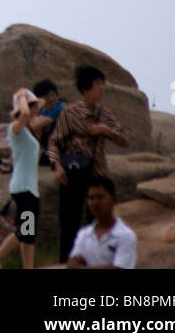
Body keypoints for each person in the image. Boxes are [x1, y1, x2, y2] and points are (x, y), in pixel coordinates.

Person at [47, 65, 129, 263]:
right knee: (70, 225)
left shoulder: (104, 115)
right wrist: (57, 167)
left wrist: (105, 130)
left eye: (103, 84)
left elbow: (124, 140)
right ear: (86, 89)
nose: (102, 89)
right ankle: (66, 264)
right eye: (98, 85)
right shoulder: (70, 114)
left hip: (97, 175)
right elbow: (54, 142)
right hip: (72, 175)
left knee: (97, 225)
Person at [0, 89, 44, 268]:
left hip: (29, 188)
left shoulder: (26, 131)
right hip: (23, 188)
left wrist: (28, 99)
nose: (35, 110)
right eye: (31, 106)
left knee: (29, 234)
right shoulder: (15, 128)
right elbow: (26, 113)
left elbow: (39, 104)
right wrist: (21, 98)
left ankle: (28, 267)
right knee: (24, 231)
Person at [66, 177, 136, 269]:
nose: (95, 203)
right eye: (91, 198)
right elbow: (72, 264)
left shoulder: (125, 235)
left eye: (100, 197)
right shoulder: (84, 234)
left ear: (114, 199)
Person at [32, 79, 63, 164]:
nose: (51, 99)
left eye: (53, 95)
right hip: (48, 153)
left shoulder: (60, 108)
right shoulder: (44, 111)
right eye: (47, 96)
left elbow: (34, 126)